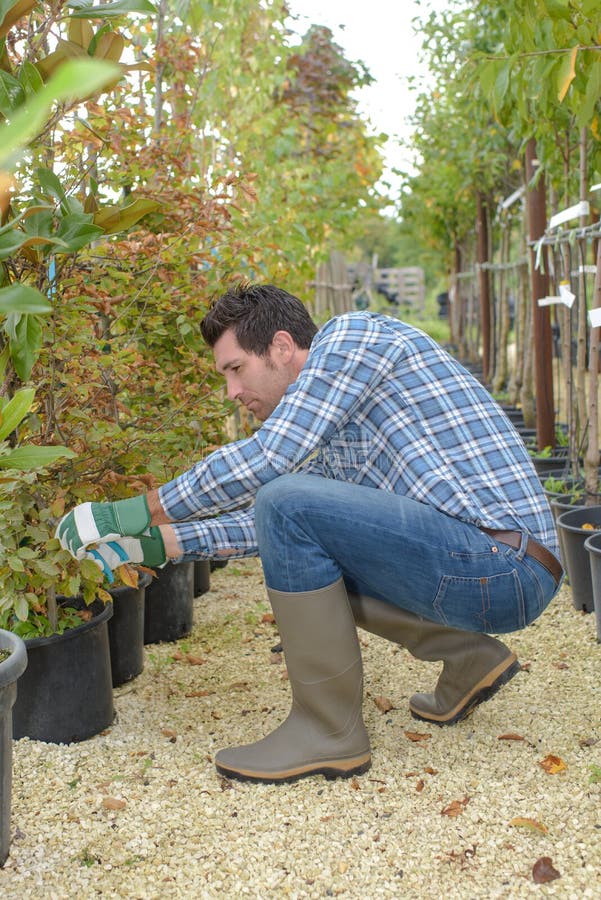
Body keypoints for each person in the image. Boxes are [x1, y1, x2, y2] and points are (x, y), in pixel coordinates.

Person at [56, 282, 562, 784]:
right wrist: (153, 544)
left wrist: (132, 514)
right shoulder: (338, 428)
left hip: (502, 561)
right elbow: (276, 530)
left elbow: (269, 464)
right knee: (296, 524)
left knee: (284, 497)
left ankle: (328, 732)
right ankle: (469, 658)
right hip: (483, 568)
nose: (233, 393)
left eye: (236, 369)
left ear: (280, 346)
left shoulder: (352, 336)